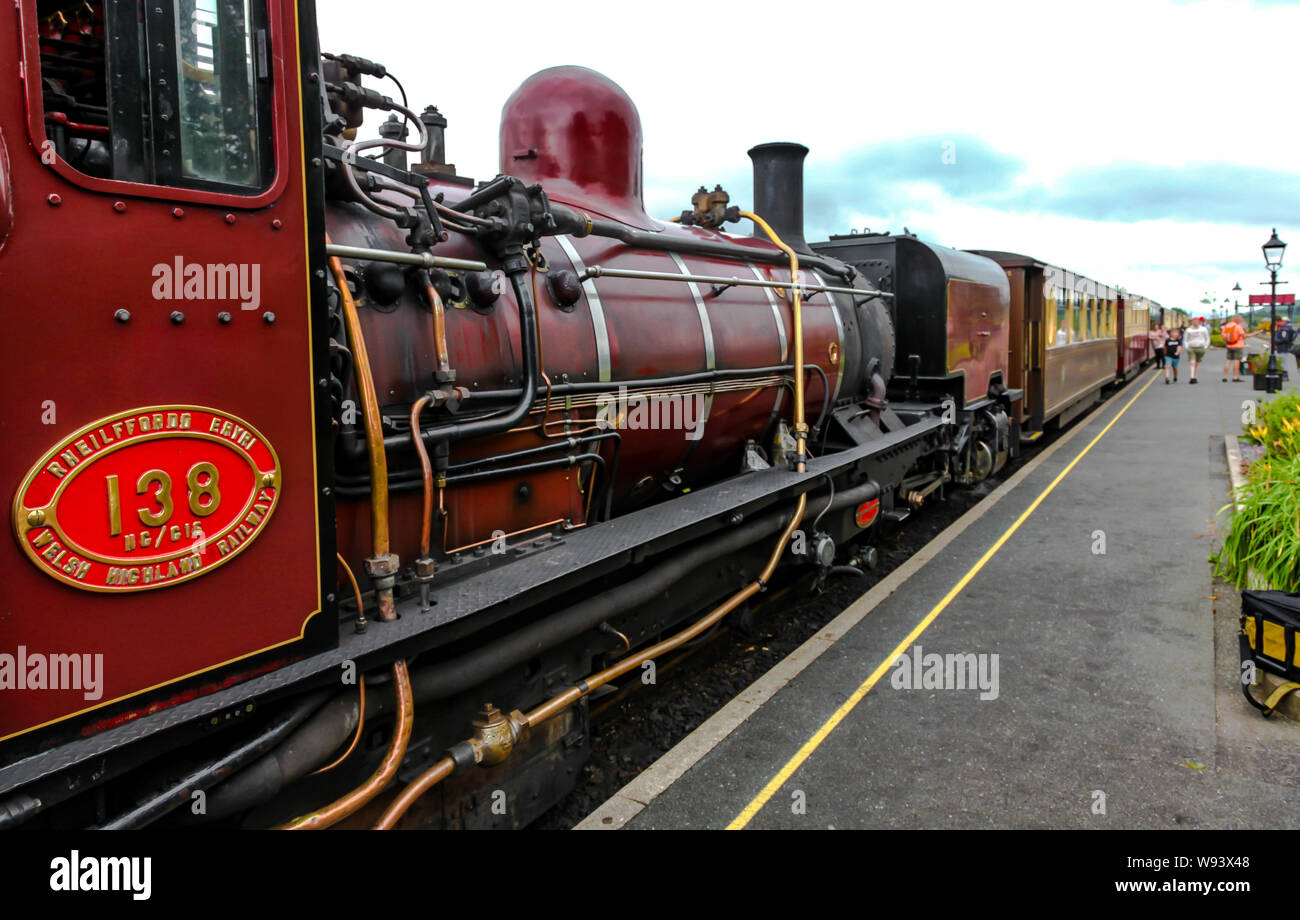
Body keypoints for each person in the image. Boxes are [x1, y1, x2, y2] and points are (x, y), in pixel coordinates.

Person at [1220, 315, 1254, 382]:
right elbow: (1244, 336)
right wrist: (1254, 334)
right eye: (1240, 319)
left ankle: (1224, 377)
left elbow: (1223, 335)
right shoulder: (1238, 327)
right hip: (1238, 346)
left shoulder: (1226, 326)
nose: (1241, 320)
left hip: (1229, 345)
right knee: (1237, 361)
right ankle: (1235, 377)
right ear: (1237, 319)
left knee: (1228, 361)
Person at [1184, 316, 1210, 384]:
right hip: (1191, 348)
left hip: (1200, 348)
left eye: (1196, 321)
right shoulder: (1188, 330)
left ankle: (1195, 376)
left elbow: (1207, 338)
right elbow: (1185, 339)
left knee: (1197, 363)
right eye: (1194, 321)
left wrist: (1205, 346)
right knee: (1192, 362)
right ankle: (1192, 377)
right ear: (1192, 322)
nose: (1195, 322)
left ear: (1199, 322)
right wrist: (1187, 347)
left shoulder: (1203, 329)